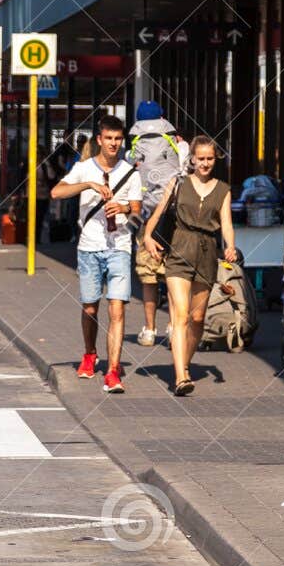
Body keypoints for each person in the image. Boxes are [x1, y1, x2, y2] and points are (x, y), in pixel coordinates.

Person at [140, 135, 237, 396]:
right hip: (179, 250)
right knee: (180, 315)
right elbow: (159, 212)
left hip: (206, 253)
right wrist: (147, 236)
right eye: (200, 158)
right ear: (192, 158)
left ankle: (184, 363)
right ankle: (181, 376)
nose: (205, 163)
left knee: (197, 318)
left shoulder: (223, 189)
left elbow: (226, 223)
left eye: (209, 158)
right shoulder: (178, 183)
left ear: (215, 159)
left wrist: (230, 246)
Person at [51, 113, 136, 393]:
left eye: (118, 139)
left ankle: (113, 371)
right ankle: (90, 353)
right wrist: (89, 185)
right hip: (89, 247)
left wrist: (124, 208)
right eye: (108, 138)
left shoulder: (131, 172)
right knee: (90, 307)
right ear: (99, 139)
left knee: (117, 309)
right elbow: (56, 193)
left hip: (119, 247)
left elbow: (138, 211)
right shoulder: (84, 168)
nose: (113, 143)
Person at [126, 100, 189, 347]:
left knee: (148, 276)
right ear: (162, 118)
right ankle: (173, 327)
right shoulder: (178, 144)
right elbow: (185, 171)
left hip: (145, 216)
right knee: (173, 274)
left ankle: (149, 329)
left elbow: (129, 168)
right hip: (173, 215)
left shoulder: (134, 145)